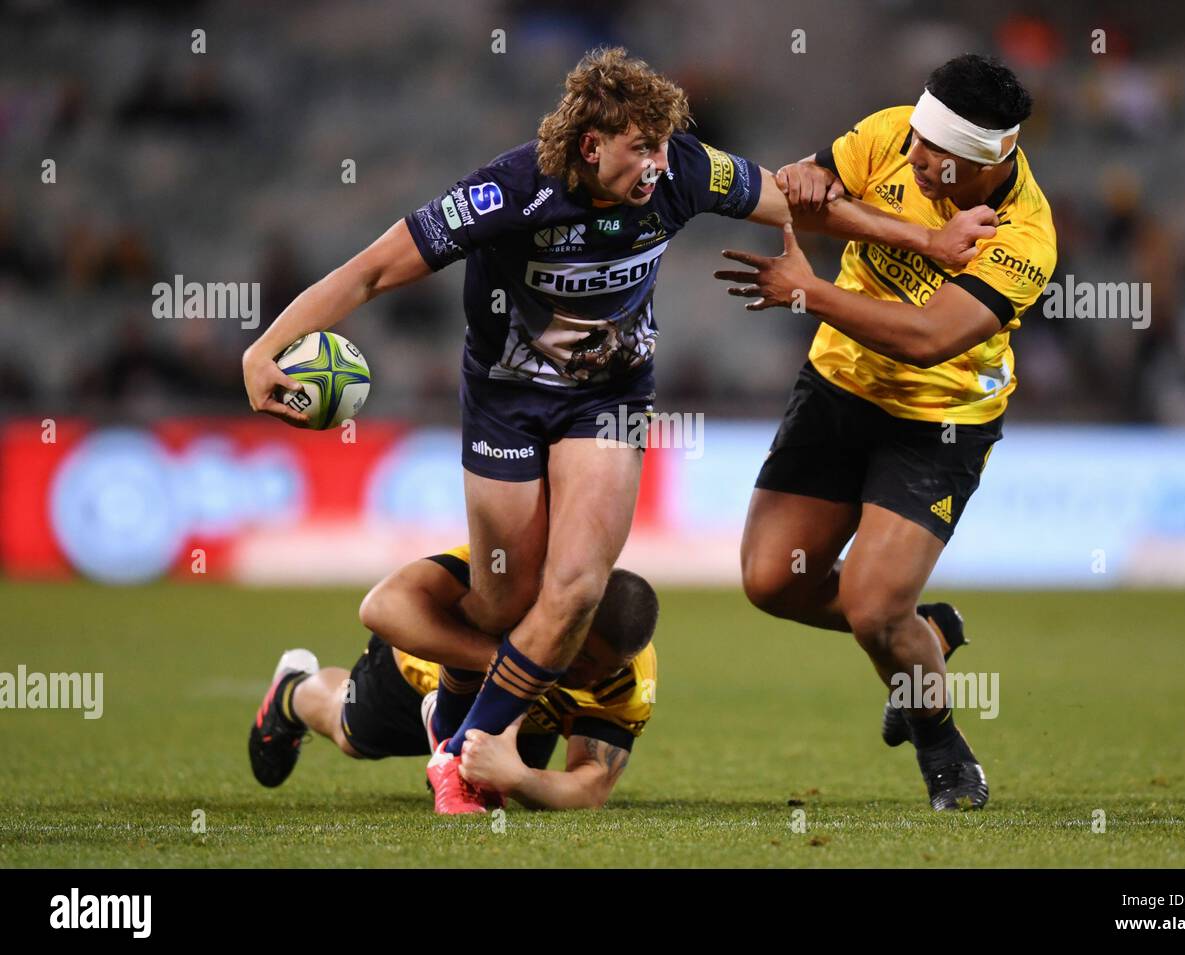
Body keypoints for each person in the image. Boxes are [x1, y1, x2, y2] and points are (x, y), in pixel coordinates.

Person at [242, 46, 995, 814]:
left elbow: (803, 206)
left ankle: (473, 751)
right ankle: (330, 697)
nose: (660, 166)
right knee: (506, 603)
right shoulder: (509, 192)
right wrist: (265, 347)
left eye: (666, 147)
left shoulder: (687, 171)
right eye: (643, 149)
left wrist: (928, 242)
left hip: (608, 399)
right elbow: (371, 270)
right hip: (504, 402)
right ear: (590, 146)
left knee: (574, 588)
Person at [714, 55, 1057, 810]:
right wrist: (921, 239)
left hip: (939, 421)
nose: (914, 157)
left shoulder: (1027, 237)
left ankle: (942, 745)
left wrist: (811, 292)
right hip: (839, 388)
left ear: (991, 160)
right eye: (917, 141)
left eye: (939, 158)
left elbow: (929, 340)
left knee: (872, 606)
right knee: (772, 582)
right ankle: (924, 631)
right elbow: (793, 200)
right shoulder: (892, 133)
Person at [248, 546, 658, 811]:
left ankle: (460, 745)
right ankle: (294, 689)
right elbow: (380, 607)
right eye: (582, 657)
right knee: (352, 735)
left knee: (517, 792)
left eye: (607, 669)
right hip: (418, 670)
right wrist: (510, 666)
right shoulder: (519, 580)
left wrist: (518, 777)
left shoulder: (625, 681)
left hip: (525, 718)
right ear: (572, 620)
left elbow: (590, 788)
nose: (589, 677)